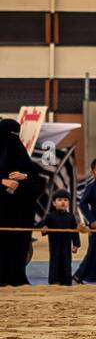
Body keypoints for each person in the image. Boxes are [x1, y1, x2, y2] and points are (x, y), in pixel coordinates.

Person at [0, 119, 43, 286]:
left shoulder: (21, 155)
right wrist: (3, 182)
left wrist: (24, 177)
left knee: (17, 244)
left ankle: (16, 276)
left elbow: (36, 182)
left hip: (18, 214)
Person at [41, 189, 79, 286]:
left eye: (65, 200)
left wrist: (76, 244)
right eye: (60, 200)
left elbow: (75, 231)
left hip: (66, 244)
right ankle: (54, 280)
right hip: (55, 244)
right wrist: (44, 229)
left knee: (66, 261)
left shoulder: (71, 217)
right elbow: (44, 228)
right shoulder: (50, 216)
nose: (63, 202)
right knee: (55, 261)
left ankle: (66, 281)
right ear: (54, 203)